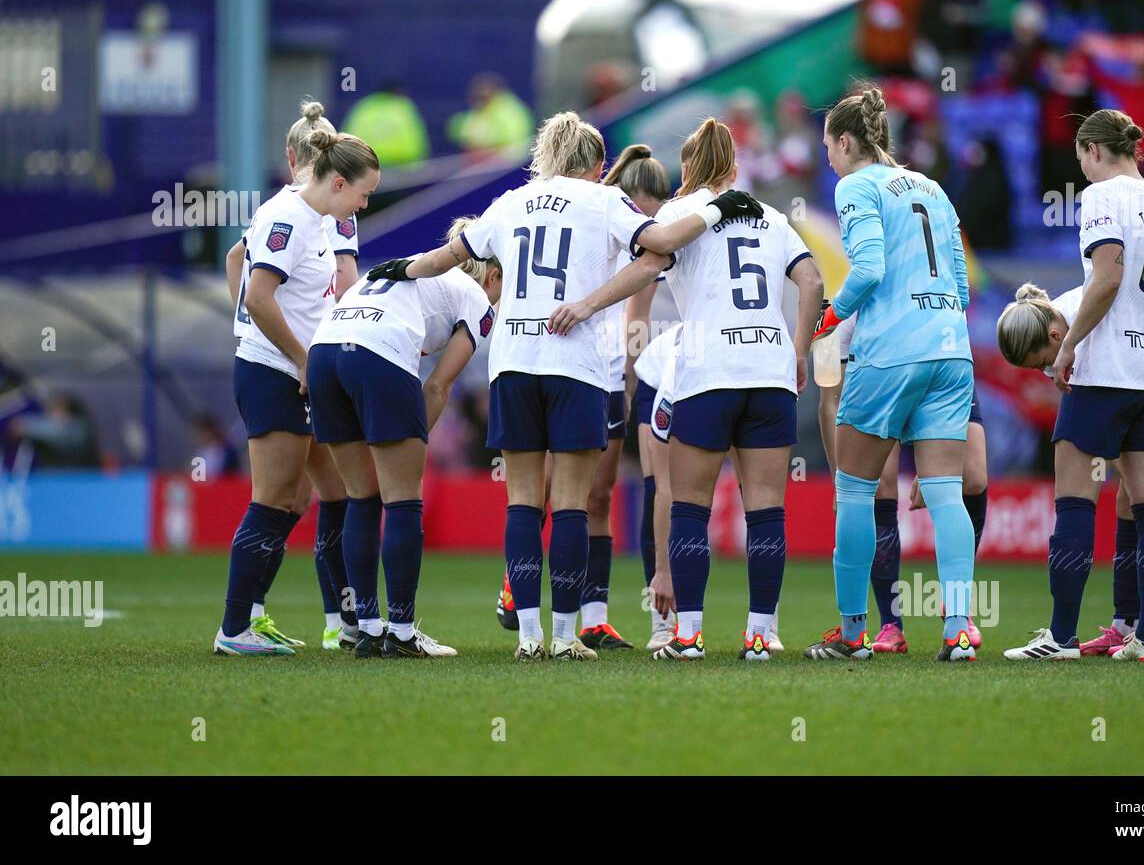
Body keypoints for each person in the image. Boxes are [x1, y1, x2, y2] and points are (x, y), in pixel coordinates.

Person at [367, 110, 762, 660]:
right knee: (573, 504)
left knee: (524, 502)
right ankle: (563, 636)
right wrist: (720, 205)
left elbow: (445, 258)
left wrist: (401, 270)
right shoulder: (604, 201)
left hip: (512, 361)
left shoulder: (509, 202)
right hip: (573, 364)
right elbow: (661, 248)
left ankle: (528, 637)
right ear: (598, 165)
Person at [1002, 109, 1144, 663]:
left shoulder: (1101, 198)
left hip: (1107, 372)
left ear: (1093, 151)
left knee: (1074, 502)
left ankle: (1061, 637)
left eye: (1081, 161)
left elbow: (1108, 276)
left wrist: (1067, 349)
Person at [628, 117, 823, 662]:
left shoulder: (676, 214)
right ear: (735, 169)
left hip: (709, 370)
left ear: (687, 170)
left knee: (691, 505)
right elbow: (811, 282)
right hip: (769, 369)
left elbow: (647, 265)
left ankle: (687, 635)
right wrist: (799, 350)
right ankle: (762, 633)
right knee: (765, 509)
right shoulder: (772, 217)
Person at [804, 84, 977, 663]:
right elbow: (961, 282)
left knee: (853, 491)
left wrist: (828, 317)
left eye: (828, 145)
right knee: (946, 492)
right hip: (951, 349)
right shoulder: (934, 188)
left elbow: (870, 268)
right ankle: (957, 630)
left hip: (891, 354)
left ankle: (854, 633)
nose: (826, 157)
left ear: (847, 140)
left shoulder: (856, 184)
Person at [997, 281, 1144, 658]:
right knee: (1131, 499)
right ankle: (1126, 626)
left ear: (1055, 335)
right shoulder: (1065, 326)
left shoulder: (1093, 328)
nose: (1047, 370)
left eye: (1044, 361)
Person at [214, 130, 380, 656]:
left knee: (318, 494)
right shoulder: (289, 218)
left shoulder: (316, 219)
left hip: (298, 373)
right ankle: (234, 628)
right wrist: (301, 357)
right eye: (363, 193)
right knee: (273, 498)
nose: (364, 204)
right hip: (275, 374)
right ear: (336, 181)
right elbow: (258, 297)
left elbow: (236, 260)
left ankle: (334, 619)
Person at [308, 216, 500, 658]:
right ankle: (402, 632)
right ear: (492, 274)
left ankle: (366, 628)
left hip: (324, 354)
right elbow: (437, 386)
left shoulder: (410, 266)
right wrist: (410, 441)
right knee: (402, 499)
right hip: (376, 353)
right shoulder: (477, 298)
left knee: (360, 497)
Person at [817, 310, 990, 654]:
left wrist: (933, 471)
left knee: (972, 479)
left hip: (939, 356)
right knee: (880, 486)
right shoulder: (839, 311)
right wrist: (840, 474)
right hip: (880, 377)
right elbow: (829, 401)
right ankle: (890, 624)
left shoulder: (930, 284)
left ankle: (957, 607)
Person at [577, 145, 672, 651]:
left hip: (612, 374)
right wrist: (637, 369)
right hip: (575, 366)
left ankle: (595, 616)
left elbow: (640, 310)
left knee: (599, 492)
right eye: (644, 206)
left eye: (657, 209)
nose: (650, 219)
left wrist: (631, 372)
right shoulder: (597, 212)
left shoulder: (646, 234)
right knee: (557, 486)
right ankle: (517, 580)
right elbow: (637, 312)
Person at [631, 321, 683, 651]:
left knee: (752, 491)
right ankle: (662, 622)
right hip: (657, 379)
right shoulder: (678, 359)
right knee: (659, 488)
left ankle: (764, 625)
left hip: (735, 384)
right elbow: (665, 487)